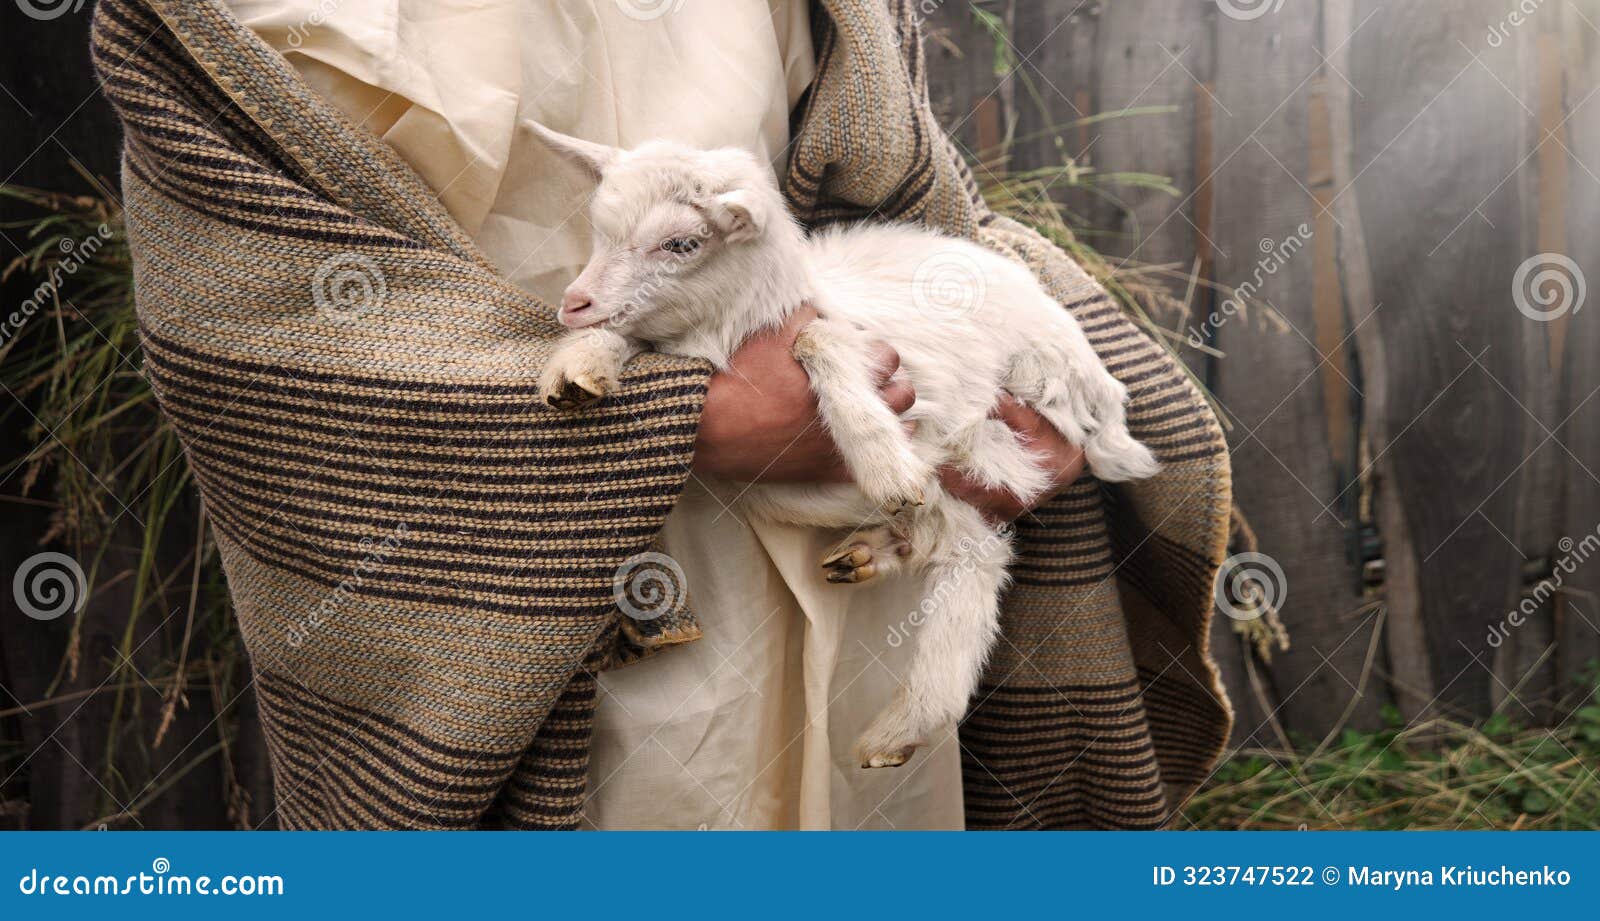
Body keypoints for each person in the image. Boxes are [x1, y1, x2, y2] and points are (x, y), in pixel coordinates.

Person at [223, 0, 1082, 829]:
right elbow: (251, 309)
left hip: (859, 585)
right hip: (557, 596)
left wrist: (1052, 374)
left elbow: (911, 202)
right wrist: (683, 416)